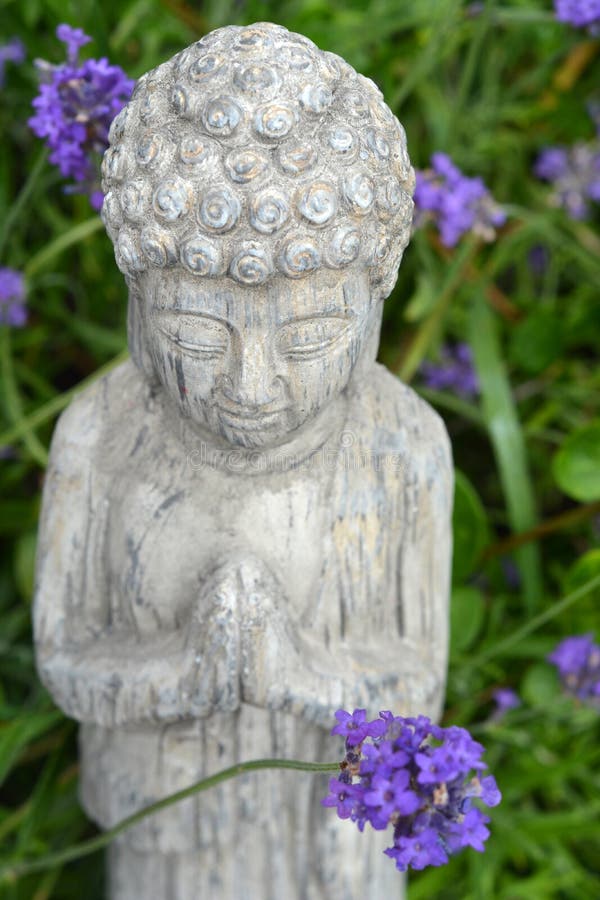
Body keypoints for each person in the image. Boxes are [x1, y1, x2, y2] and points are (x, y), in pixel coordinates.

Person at [34, 22, 453, 900]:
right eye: (195, 333)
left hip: (337, 828)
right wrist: (181, 675)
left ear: (376, 296)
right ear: (136, 293)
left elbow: (417, 680)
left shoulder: (404, 445)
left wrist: (299, 680)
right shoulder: (100, 437)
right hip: (171, 817)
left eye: (308, 335)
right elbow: (65, 656)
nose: (252, 388)